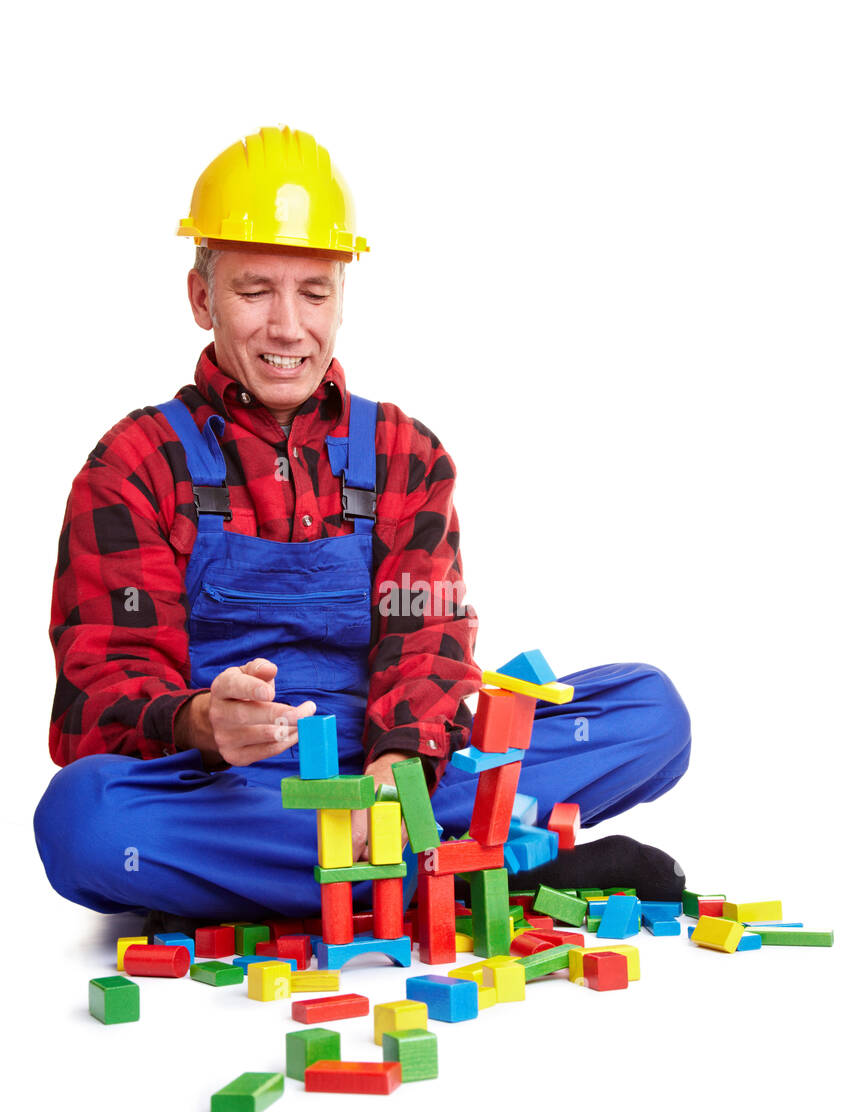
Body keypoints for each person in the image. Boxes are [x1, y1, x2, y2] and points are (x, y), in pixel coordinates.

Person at [33, 125, 692, 931]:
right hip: (234, 785)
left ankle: (361, 864)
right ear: (201, 297)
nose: (287, 327)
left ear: (342, 296)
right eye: (254, 291)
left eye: (313, 292)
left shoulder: (404, 454)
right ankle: (489, 866)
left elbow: (429, 639)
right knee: (84, 822)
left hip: (404, 772)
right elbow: (94, 699)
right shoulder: (134, 464)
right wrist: (202, 720)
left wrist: (400, 759)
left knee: (651, 712)